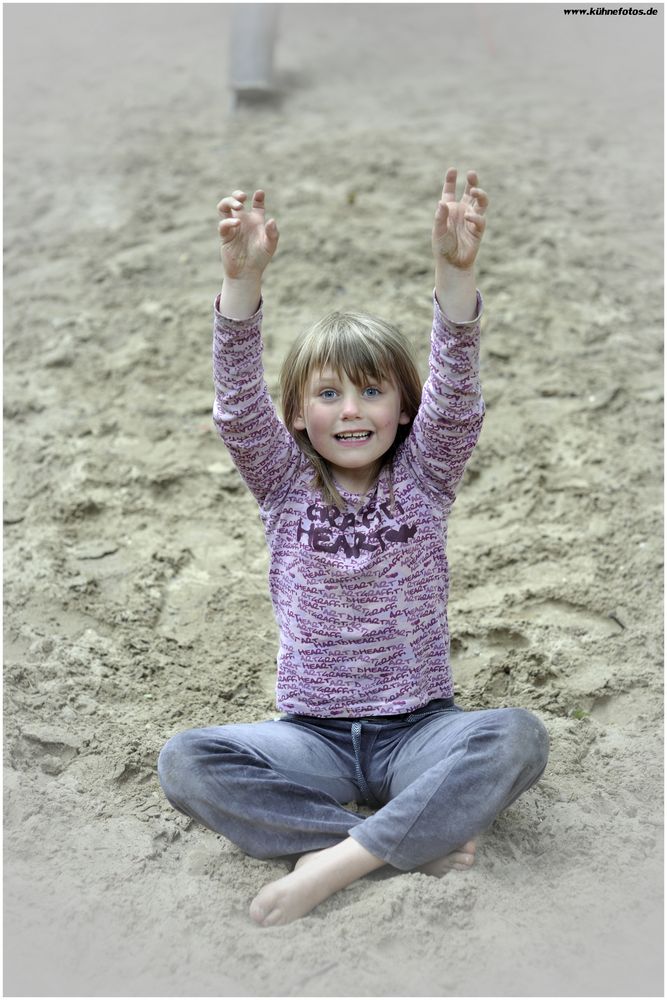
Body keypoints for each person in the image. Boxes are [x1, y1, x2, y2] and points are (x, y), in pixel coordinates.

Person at [157, 170, 549, 927]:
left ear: (402, 409)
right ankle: (398, 843)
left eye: (372, 392)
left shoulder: (426, 476)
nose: (350, 410)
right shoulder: (281, 483)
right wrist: (241, 281)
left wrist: (455, 273)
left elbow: (457, 395)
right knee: (187, 760)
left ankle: (338, 861)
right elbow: (236, 405)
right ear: (297, 415)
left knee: (517, 738)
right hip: (312, 739)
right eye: (329, 394)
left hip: (420, 731)